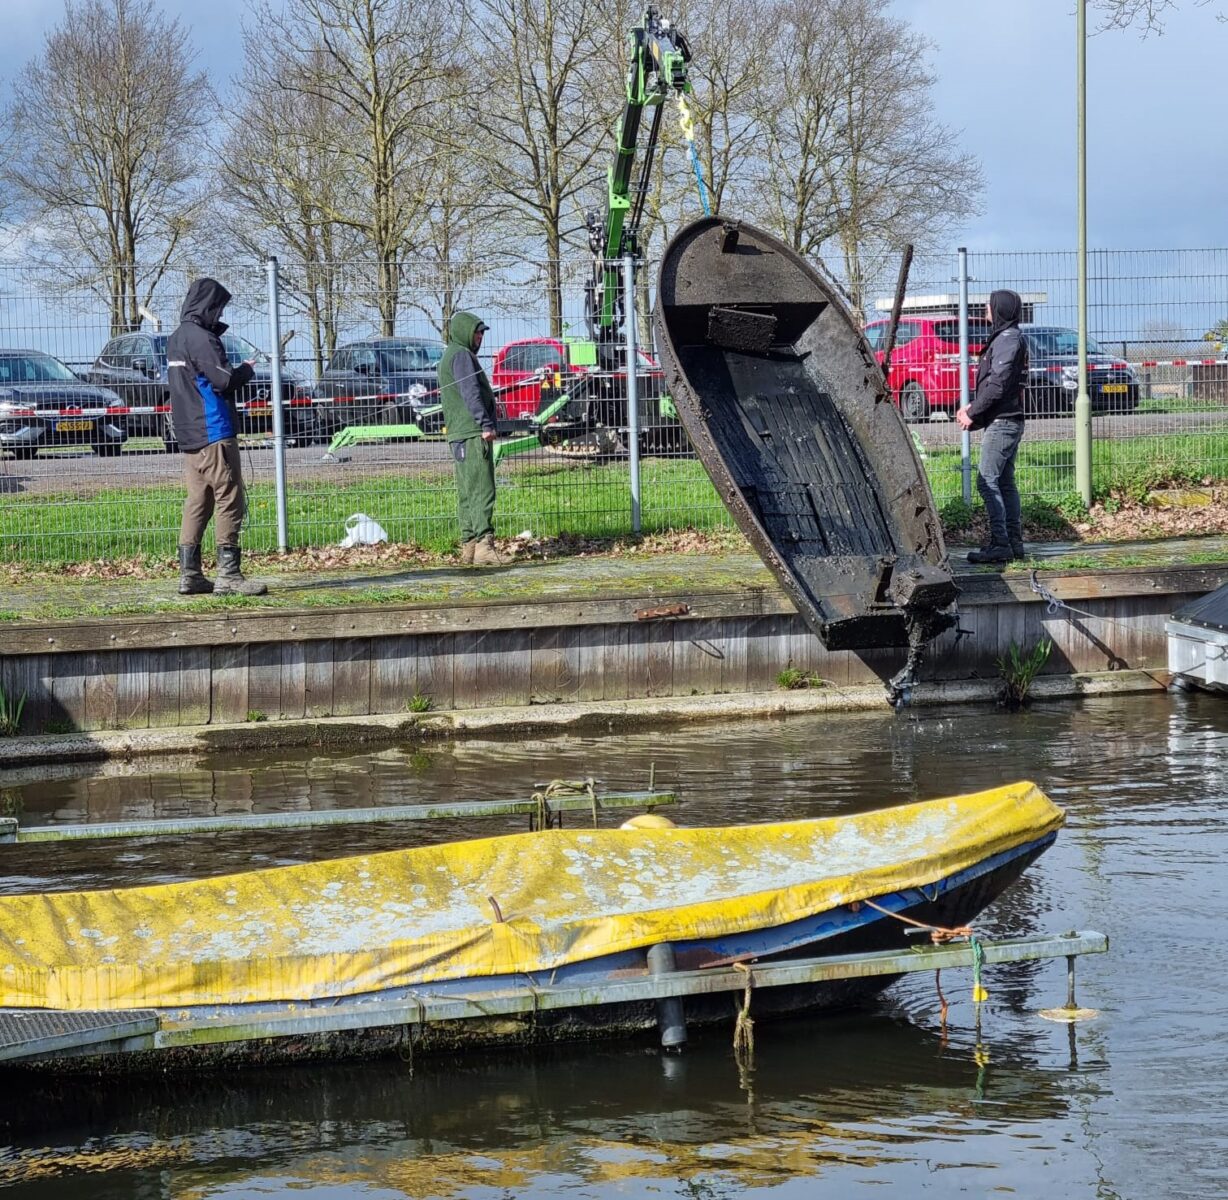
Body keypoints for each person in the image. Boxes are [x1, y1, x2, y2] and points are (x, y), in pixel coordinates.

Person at [168, 277, 267, 595]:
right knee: (230, 500)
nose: (221, 314)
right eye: (219, 307)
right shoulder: (202, 339)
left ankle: (190, 574)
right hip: (214, 432)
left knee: (198, 502)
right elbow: (224, 381)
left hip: (189, 436)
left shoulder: (176, 338)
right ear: (209, 305)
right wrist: (247, 370)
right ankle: (229, 576)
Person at [956, 288, 1028, 564]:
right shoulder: (1008, 338)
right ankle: (1013, 543)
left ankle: (1001, 544)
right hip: (1006, 420)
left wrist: (973, 411)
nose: (985, 309)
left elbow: (998, 383)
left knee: (987, 481)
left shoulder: (1008, 340)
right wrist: (973, 410)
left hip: (1003, 423)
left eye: (989, 305)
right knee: (1005, 482)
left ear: (1000, 310)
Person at [439, 310, 506, 566]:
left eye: (481, 333)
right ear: (464, 332)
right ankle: (484, 547)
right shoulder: (462, 356)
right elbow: (471, 393)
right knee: (482, 489)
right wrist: (485, 424)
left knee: (467, 491)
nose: (480, 337)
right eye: (477, 332)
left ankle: (468, 548)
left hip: (458, 433)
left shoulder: (450, 356)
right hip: (472, 432)